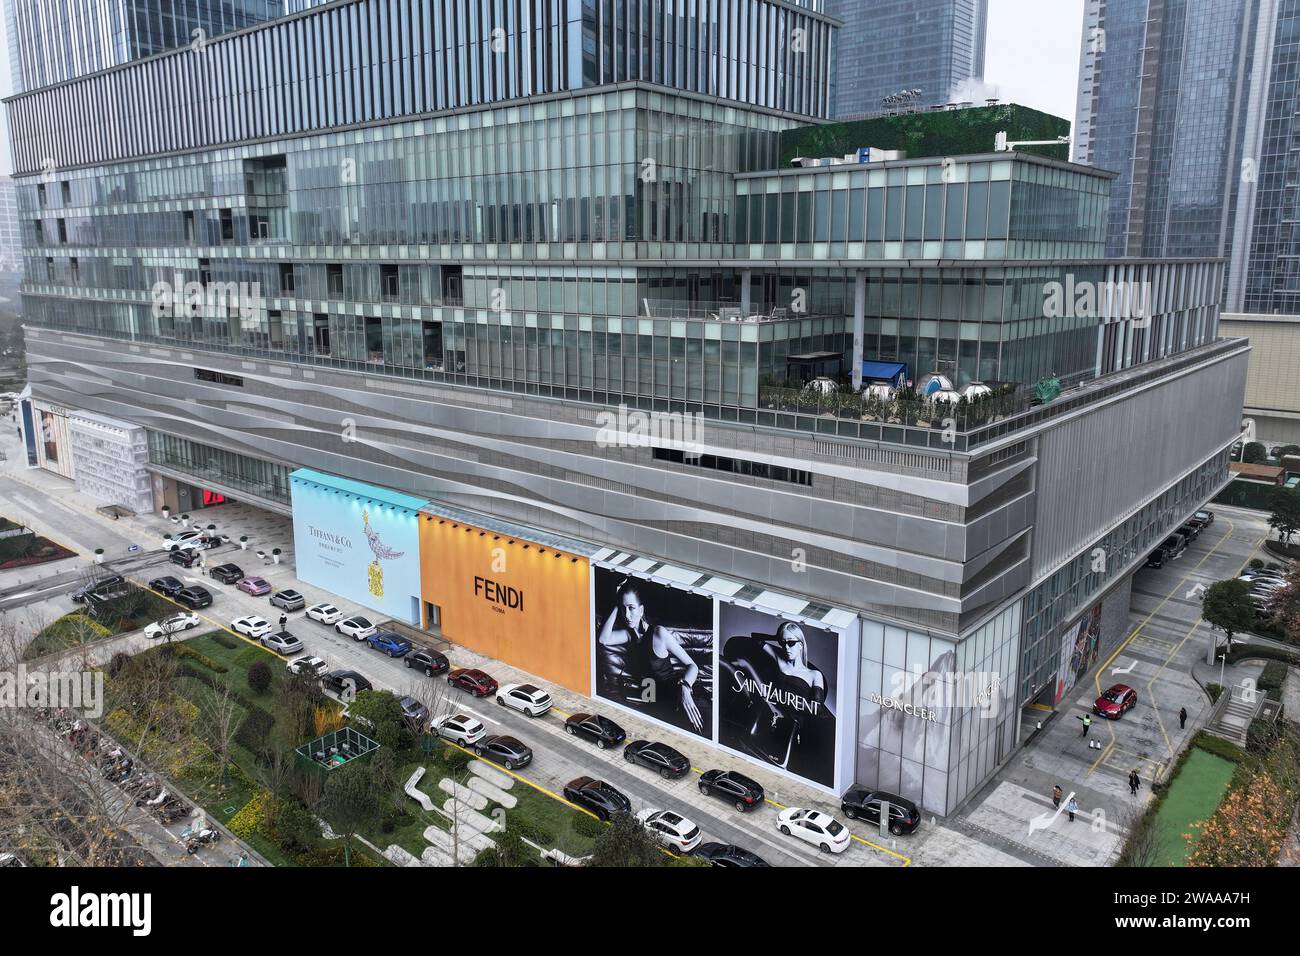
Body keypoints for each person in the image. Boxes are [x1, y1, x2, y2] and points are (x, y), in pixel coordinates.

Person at [597, 578, 705, 733]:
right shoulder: (628, 636)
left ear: (641, 610)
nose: (627, 614)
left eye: (631, 608)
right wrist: (617, 603)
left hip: (683, 695)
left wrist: (686, 687)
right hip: (659, 703)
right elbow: (603, 639)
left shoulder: (659, 633)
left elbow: (692, 666)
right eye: (623, 608)